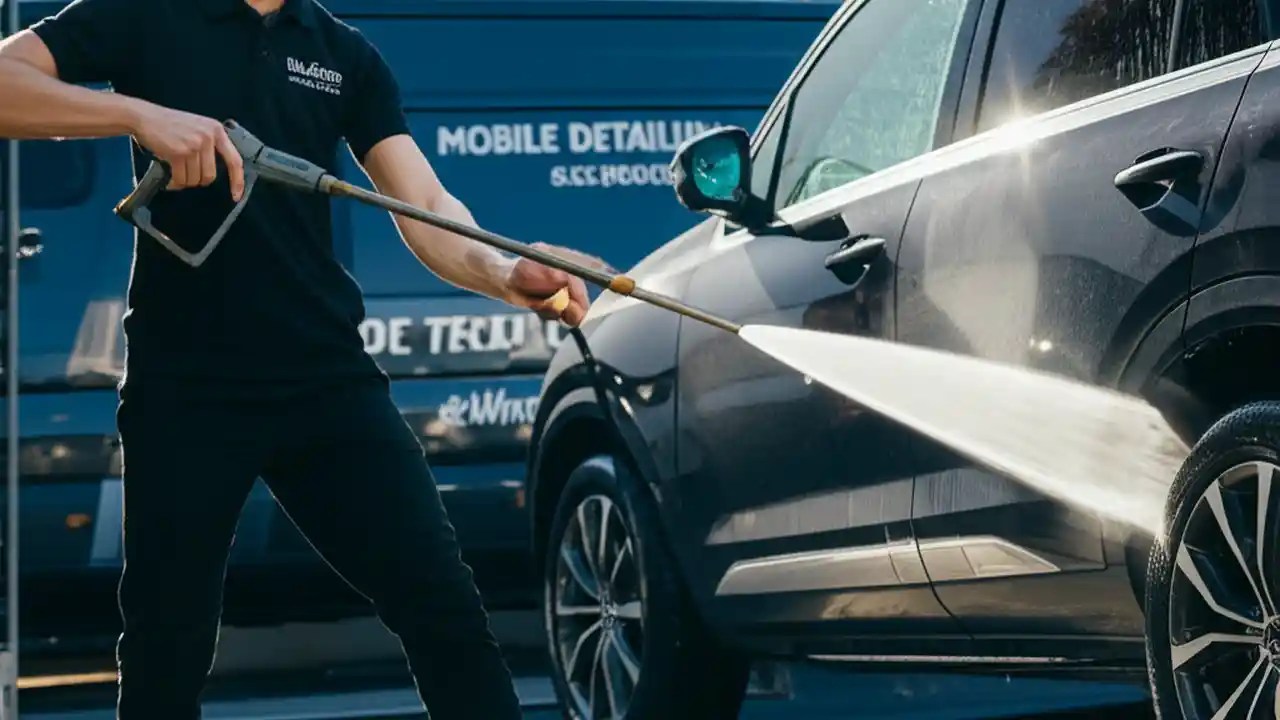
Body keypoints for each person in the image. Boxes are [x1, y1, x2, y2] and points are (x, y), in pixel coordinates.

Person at [0, 0, 602, 717]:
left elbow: (429, 206)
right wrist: (136, 115)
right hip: (185, 389)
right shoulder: (143, 14)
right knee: (168, 642)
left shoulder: (344, 54)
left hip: (328, 384)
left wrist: (506, 274)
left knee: (442, 611)